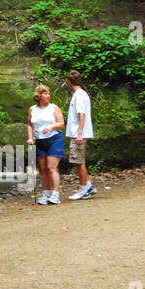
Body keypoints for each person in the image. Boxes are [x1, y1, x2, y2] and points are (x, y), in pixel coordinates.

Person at [28, 83, 65, 204]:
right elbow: (30, 125)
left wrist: (51, 126)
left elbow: (61, 123)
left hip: (54, 139)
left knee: (51, 168)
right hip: (40, 141)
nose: (48, 96)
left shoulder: (54, 108)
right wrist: (30, 138)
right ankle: (46, 193)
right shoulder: (32, 109)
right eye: (45, 94)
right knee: (43, 170)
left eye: (49, 93)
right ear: (38, 96)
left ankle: (55, 194)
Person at [65, 70, 95, 199]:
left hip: (79, 133)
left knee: (78, 161)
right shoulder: (81, 94)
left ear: (69, 82)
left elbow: (81, 114)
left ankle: (84, 189)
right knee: (78, 160)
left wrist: (79, 134)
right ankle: (88, 185)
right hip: (79, 132)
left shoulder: (79, 95)